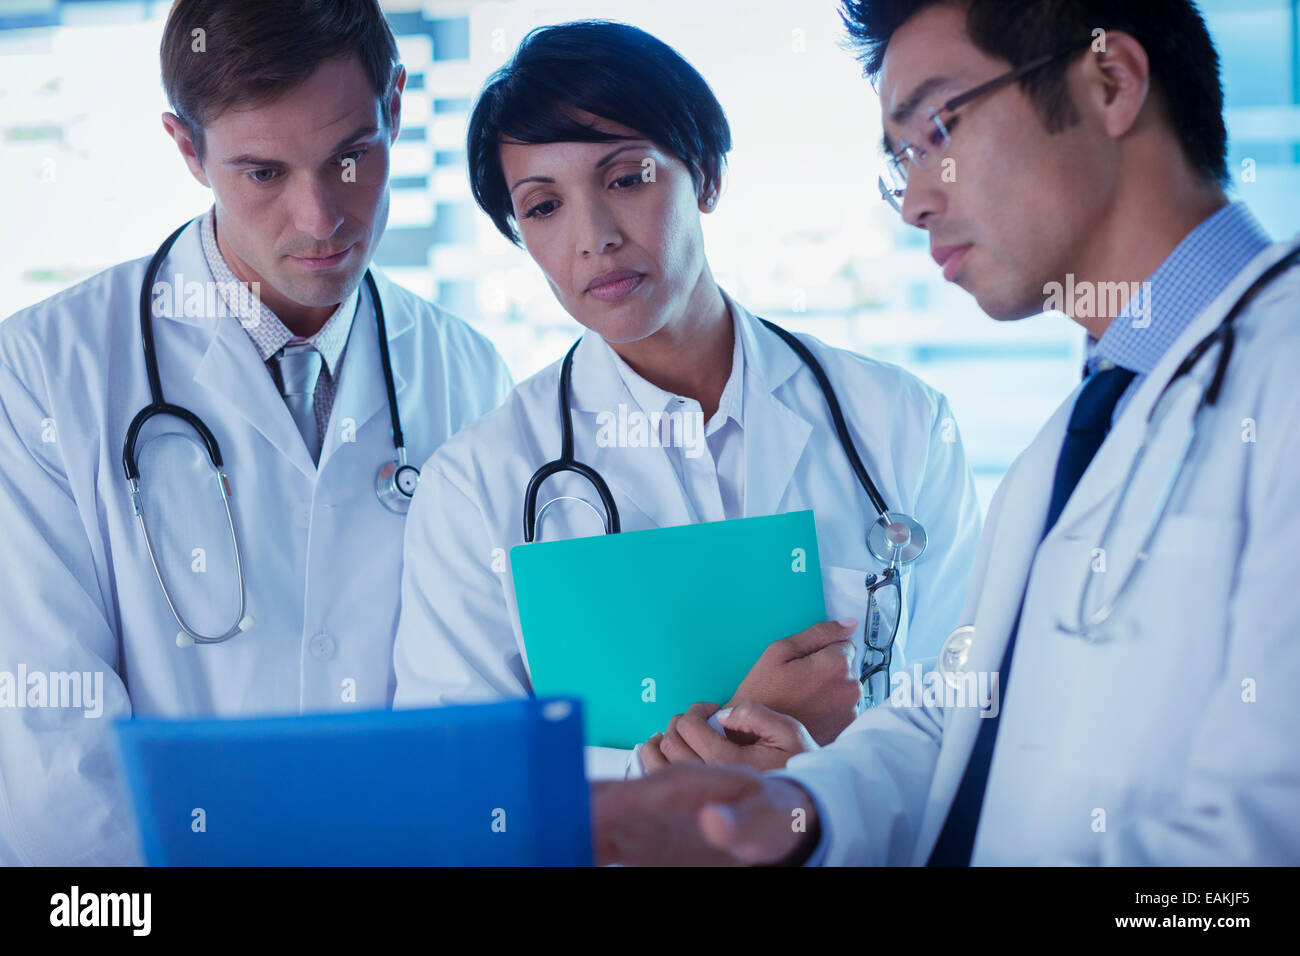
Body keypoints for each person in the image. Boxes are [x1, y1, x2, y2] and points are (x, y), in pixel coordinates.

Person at [593, 0, 1300, 865]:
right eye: (900, 161)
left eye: (937, 130)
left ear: (1110, 81)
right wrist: (787, 812)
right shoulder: (1073, 440)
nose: (916, 201)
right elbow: (960, 720)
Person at [393, 20, 982, 779]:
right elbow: (457, 783)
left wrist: (831, 749)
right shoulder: (477, 486)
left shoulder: (901, 422)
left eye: (627, 177)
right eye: (543, 207)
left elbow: (963, 723)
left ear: (704, 174)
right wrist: (666, 777)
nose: (594, 237)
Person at [0, 0, 512, 865]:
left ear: (396, 105)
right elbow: (54, 747)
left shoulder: (468, 372)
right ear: (187, 149)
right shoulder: (45, 370)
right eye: (264, 173)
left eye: (350, 157)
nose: (320, 220)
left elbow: (482, 705)